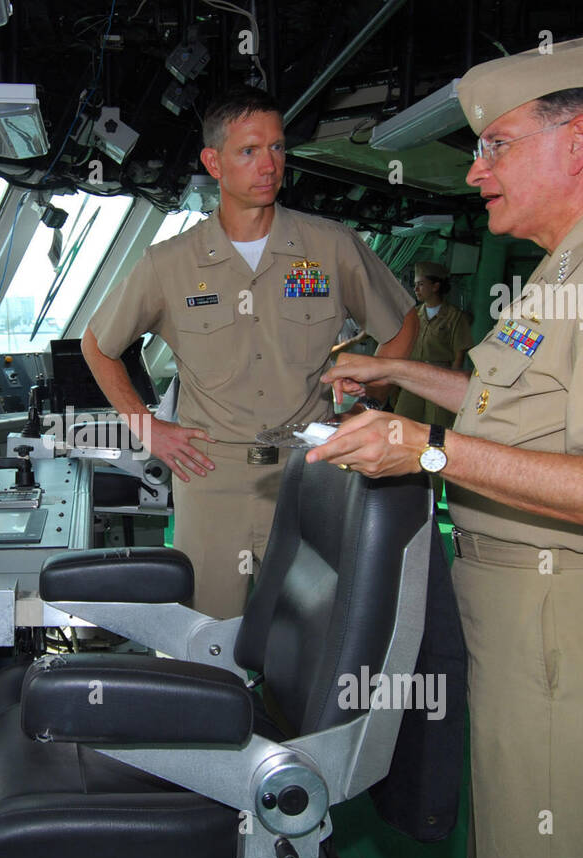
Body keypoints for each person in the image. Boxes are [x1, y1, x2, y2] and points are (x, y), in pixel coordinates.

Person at [307, 23, 583, 858]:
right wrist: (397, 375)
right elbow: (519, 411)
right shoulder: (576, 263)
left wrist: (427, 451)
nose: (474, 169)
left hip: (563, 623)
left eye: (496, 144)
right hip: (533, 618)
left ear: (578, 143)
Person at [81, 88, 417, 620]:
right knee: (209, 638)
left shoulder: (329, 247)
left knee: (313, 635)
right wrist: (147, 429)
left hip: (310, 471)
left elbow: (400, 325)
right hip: (212, 475)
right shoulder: (169, 263)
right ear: (213, 162)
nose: (269, 165)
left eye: (278, 149)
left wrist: (371, 402)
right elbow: (98, 346)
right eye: (249, 151)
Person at [393, 261, 473, 429]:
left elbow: (459, 355)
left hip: (439, 376)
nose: (416, 289)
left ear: (435, 286)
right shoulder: (414, 315)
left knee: (437, 425)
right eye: (415, 285)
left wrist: (451, 385)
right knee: (401, 420)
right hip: (414, 374)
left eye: (421, 285)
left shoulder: (454, 317)